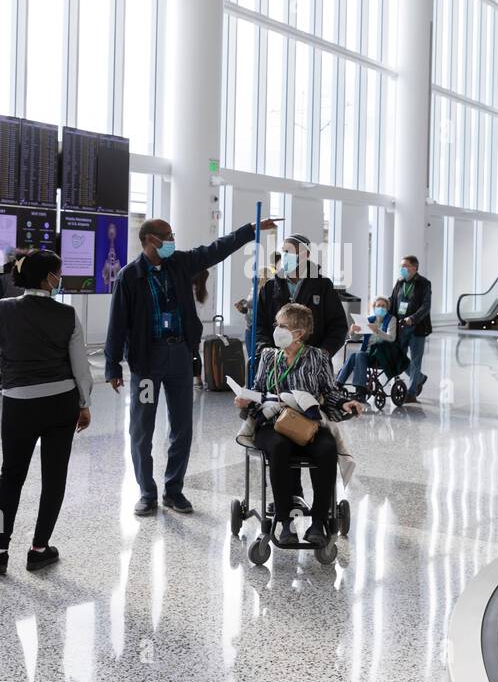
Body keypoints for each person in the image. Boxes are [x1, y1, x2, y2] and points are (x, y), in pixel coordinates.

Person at [105, 215, 280, 516]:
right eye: (167, 235)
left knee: (182, 427)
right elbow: (117, 322)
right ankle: (147, 492)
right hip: (147, 361)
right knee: (142, 430)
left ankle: (174, 490)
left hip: (179, 358)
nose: (172, 239)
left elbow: (215, 249)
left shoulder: (180, 263)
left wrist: (250, 229)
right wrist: (111, 366)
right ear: (149, 240)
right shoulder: (129, 276)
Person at [0, 250, 93, 575]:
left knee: (11, 476)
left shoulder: (4, 309)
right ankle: (40, 549)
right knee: (54, 478)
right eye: (58, 272)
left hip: (19, 405)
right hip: (60, 403)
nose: (60, 277)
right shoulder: (67, 315)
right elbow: (81, 367)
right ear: (46, 278)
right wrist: (84, 404)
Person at [236, 303, 364, 547]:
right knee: (279, 448)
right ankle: (284, 522)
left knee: (327, 449)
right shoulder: (268, 356)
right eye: (277, 325)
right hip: (272, 423)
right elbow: (258, 390)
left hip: (307, 424)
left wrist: (346, 403)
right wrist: (245, 400)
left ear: (299, 332)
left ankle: (318, 522)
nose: (276, 330)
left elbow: (330, 391)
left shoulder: (318, 357)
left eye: (282, 326)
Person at [252, 233, 349, 366]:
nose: (285, 256)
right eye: (284, 251)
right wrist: (267, 351)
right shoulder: (269, 287)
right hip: (276, 362)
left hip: (312, 364)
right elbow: (258, 324)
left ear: (306, 255)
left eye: (290, 251)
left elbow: (338, 325)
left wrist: (322, 353)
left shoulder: (323, 286)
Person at [336, 296, 403, 397]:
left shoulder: (391, 320)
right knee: (354, 356)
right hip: (367, 355)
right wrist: (352, 331)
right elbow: (355, 339)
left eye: (383, 306)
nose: (381, 308)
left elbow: (391, 338)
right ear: (374, 308)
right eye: (378, 306)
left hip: (382, 355)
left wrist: (377, 330)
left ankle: (360, 392)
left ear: (387, 308)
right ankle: (338, 385)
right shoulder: (369, 320)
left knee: (359, 355)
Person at [391, 255, 432, 403]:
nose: (402, 269)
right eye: (401, 266)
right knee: (398, 357)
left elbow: (426, 306)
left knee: (415, 360)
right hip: (401, 326)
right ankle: (419, 377)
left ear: (414, 268)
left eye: (405, 266)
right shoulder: (399, 283)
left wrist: (412, 318)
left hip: (417, 327)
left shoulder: (424, 284)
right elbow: (392, 301)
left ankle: (412, 392)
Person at [190, 269, 212, 389]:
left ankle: (189, 377)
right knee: (195, 352)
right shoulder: (203, 292)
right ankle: (198, 379)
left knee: (188, 352)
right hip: (198, 325)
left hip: (190, 324)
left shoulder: (191, 290)